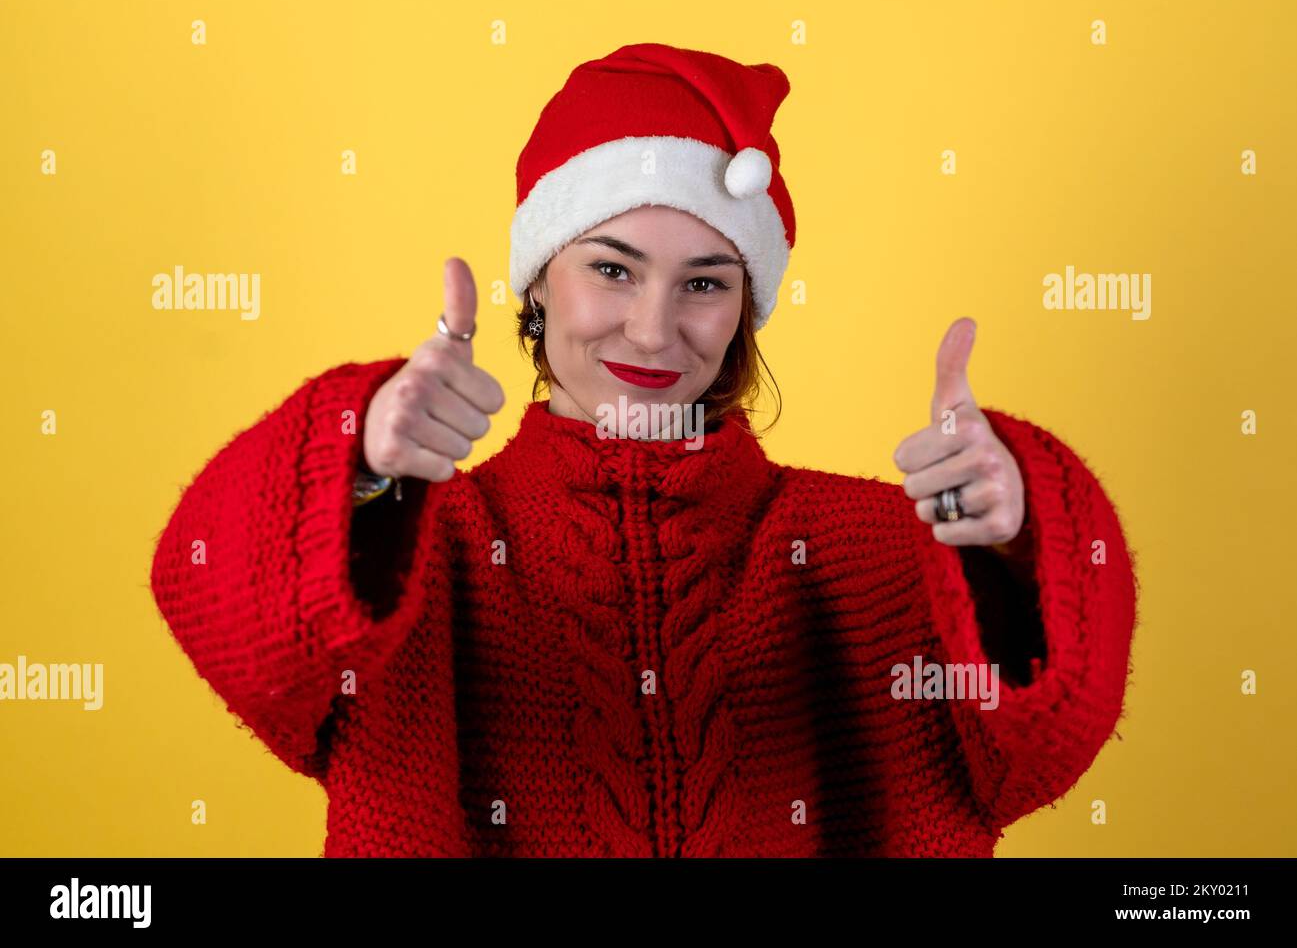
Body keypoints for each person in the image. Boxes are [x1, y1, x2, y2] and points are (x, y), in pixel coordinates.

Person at [150, 43, 1138, 857]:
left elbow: (1037, 749)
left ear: (748, 305)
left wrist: (1013, 542)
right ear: (536, 285)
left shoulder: (876, 553)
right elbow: (234, 622)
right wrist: (356, 450)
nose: (655, 331)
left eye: (705, 282)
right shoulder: (418, 554)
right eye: (612, 270)